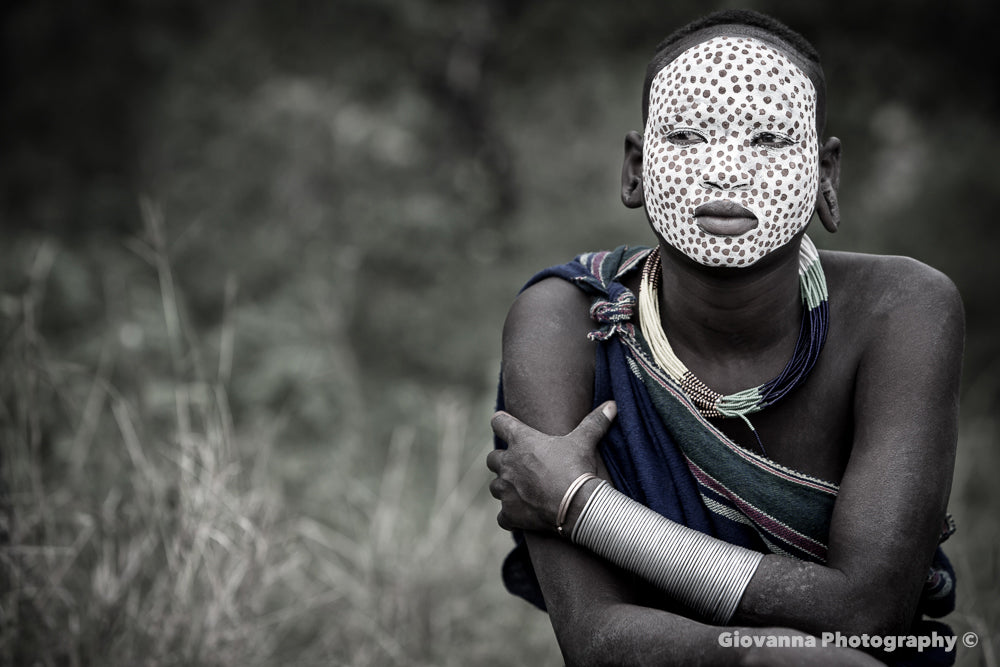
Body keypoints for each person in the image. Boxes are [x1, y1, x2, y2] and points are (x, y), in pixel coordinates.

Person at [487, 9, 963, 667]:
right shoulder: (566, 320)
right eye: (686, 135)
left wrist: (582, 505)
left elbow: (870, 612)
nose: (726, 170)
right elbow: (595, 640)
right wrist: (778, 658)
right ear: (635, 166)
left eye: (768, 140)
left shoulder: (901, 309)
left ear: (825, 176)